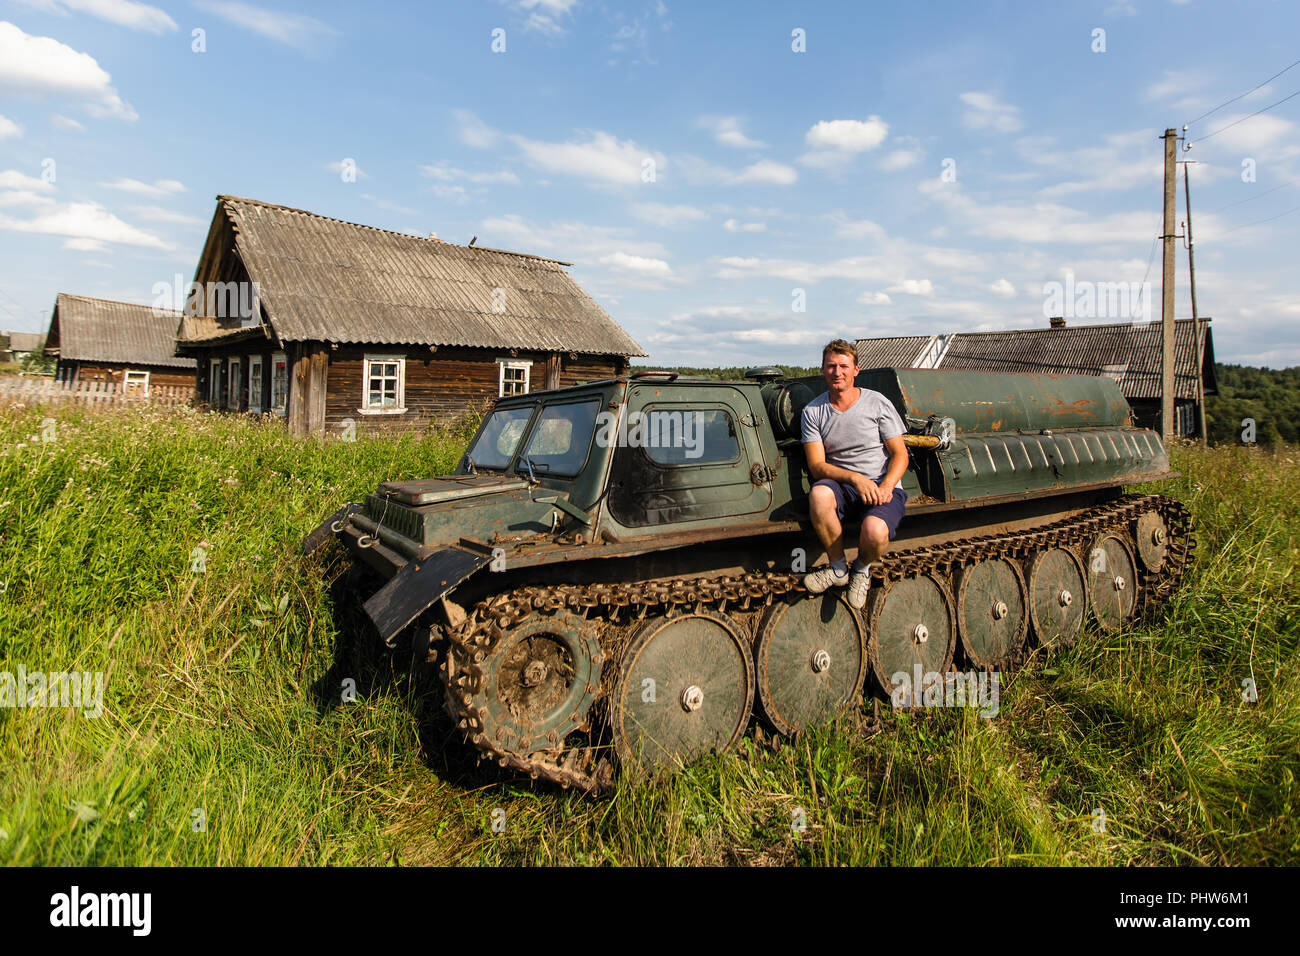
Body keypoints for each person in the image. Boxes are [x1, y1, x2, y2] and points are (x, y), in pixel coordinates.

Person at [800, 339, 909, 609]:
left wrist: (886, 486)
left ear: (856, 370)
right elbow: (817, 466)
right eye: (831, 366)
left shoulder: (877, 403)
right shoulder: (813, 412)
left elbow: (900, 454)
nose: (837, 372)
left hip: (882, 485)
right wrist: (854, 478)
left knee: (874, 531)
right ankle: (837, 568)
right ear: (823, 370)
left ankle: (861, 569)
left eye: (843, 366)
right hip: (845, 486)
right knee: (819, 494)